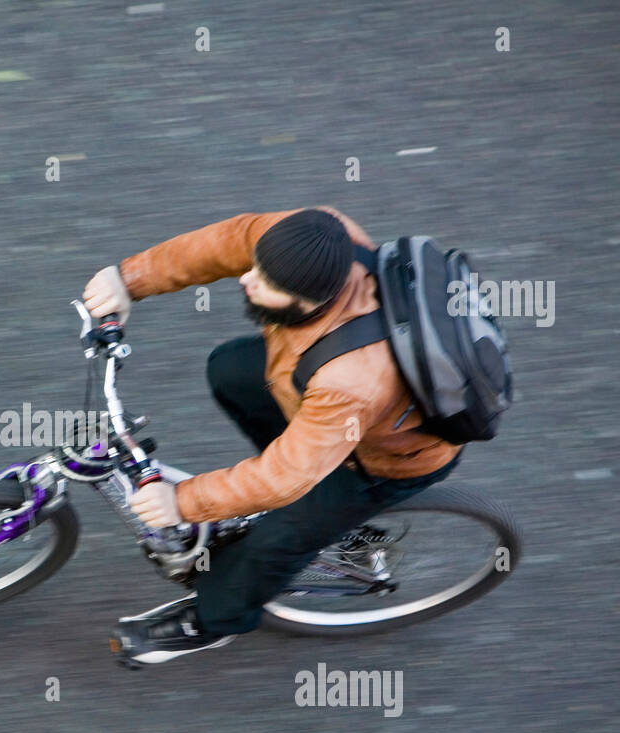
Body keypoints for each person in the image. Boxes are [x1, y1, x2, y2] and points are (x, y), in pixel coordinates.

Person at [81, 207, 463, 665]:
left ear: (307, 304)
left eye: (267, 283)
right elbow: (226, 242)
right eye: (258, 268)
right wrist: (129, 279)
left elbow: (286, 476)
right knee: (229, 369)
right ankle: (323, 525)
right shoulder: (312, 237)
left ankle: (214, 623)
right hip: (313, 393)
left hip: (379, 459)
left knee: (273, 538)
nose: (248, 280)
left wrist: (181, 502)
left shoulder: (353, 380)